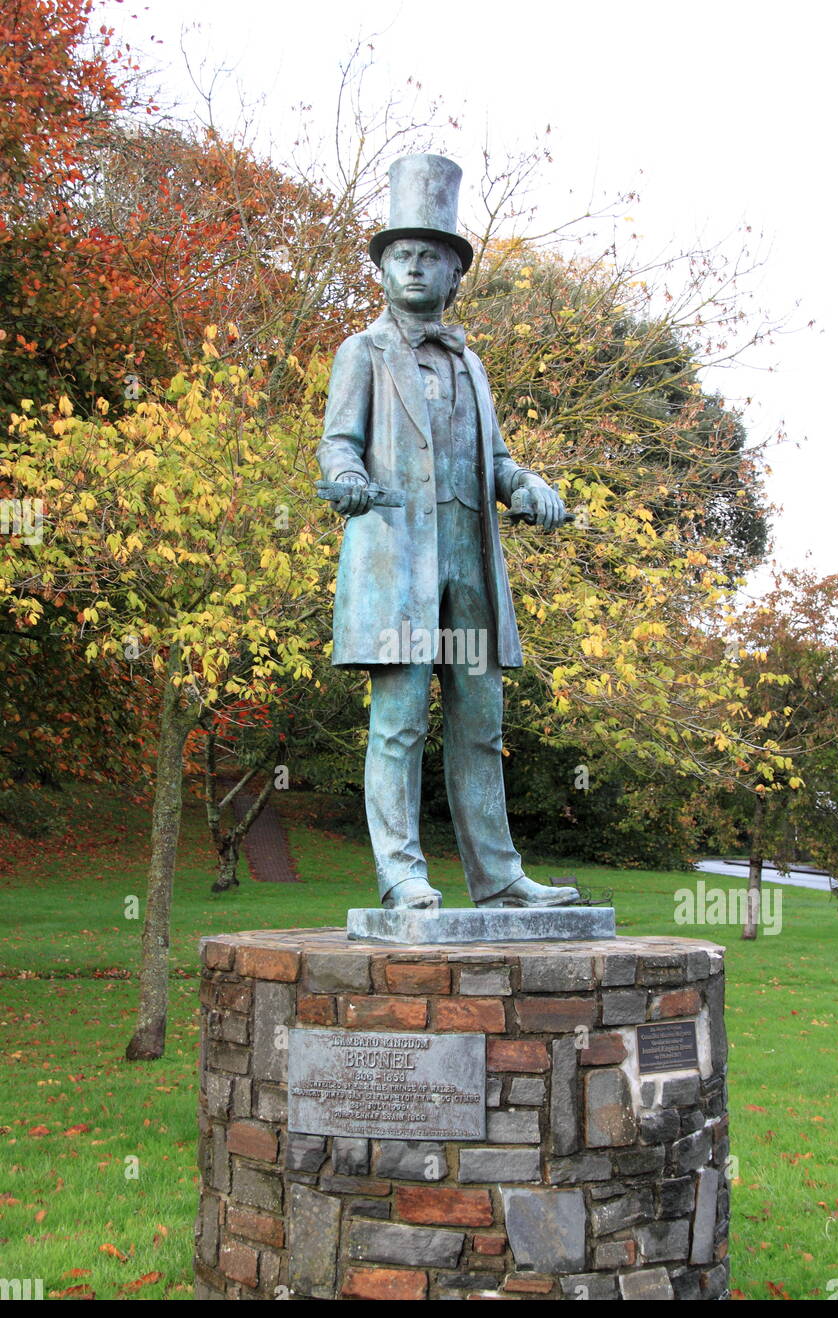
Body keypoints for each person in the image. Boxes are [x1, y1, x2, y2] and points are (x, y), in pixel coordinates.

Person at [318, 154, 580, 912]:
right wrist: (350, 481)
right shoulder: (361, 352)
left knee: (479, 722)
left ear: (453, 275)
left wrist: (528, 486)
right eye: (401, 255)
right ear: (382, 269)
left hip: (469, 574)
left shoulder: (473, 367)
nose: (413, 268)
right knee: (398, 724)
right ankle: (400, 875)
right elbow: (339, 442)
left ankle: (498, 879)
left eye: (429, 257)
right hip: (396, 572)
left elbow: (495, 460)